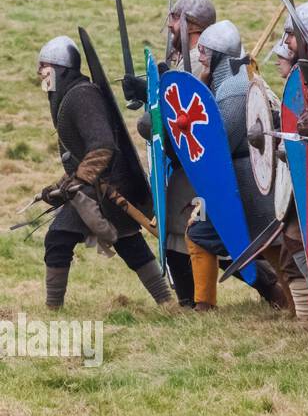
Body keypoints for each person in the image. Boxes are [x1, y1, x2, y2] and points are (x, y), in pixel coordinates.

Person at [36, 36, 174, 311]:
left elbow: (102, 146)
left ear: (62, 68)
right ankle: (167, 301)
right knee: (129, 242)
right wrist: (61, 185)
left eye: (45, 65)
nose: (40, 72)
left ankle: (53, 309)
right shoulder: (70, 94)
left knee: (59, 238)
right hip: (98, 184)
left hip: (108, 186)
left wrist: (78, 182)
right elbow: (81, 155)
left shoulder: (82, 95)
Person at [183, 20, 286, 312]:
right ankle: (207, 304)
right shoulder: (234, 82)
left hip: (248, 184)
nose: (200, 57)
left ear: (218, 56)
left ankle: (285, 298)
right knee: (206, 234)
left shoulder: (233, 91)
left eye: (205, 52)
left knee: (270, 247)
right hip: (239, 180)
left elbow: (219, 145)